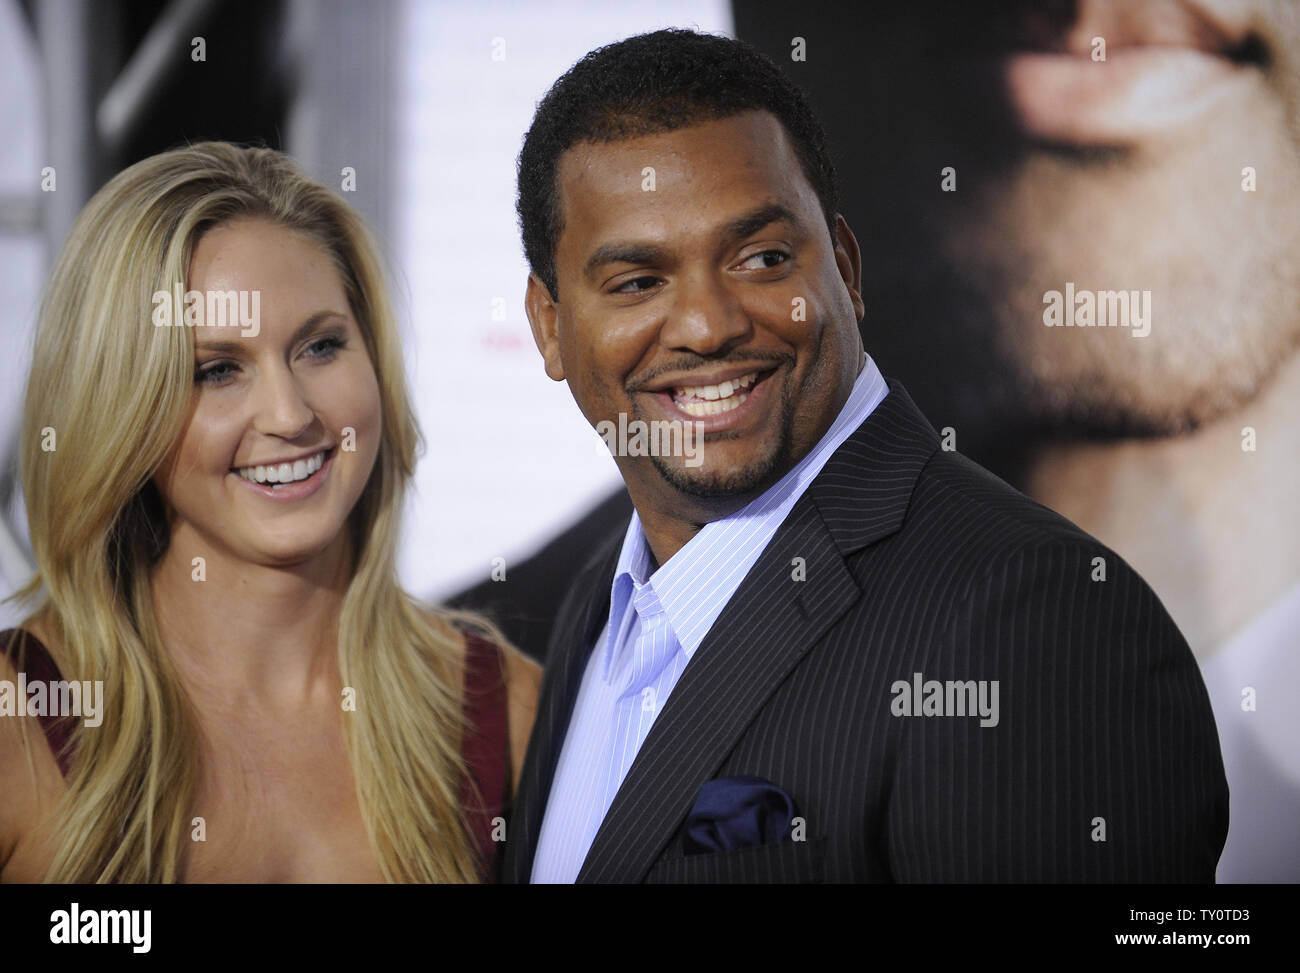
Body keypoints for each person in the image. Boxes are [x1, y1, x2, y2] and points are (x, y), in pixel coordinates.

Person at [502, 29, 1228, 883]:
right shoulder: (594, 603)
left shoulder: (1031, 620)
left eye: (763, 258)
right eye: (637, 282)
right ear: (550, 326)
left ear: (844, 267)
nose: (708, 324)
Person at [0, 142, 541, 883]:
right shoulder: (16, 719)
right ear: (121, 408)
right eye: (217, 370)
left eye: (320, 347)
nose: (289, 414)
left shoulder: (505, 712)